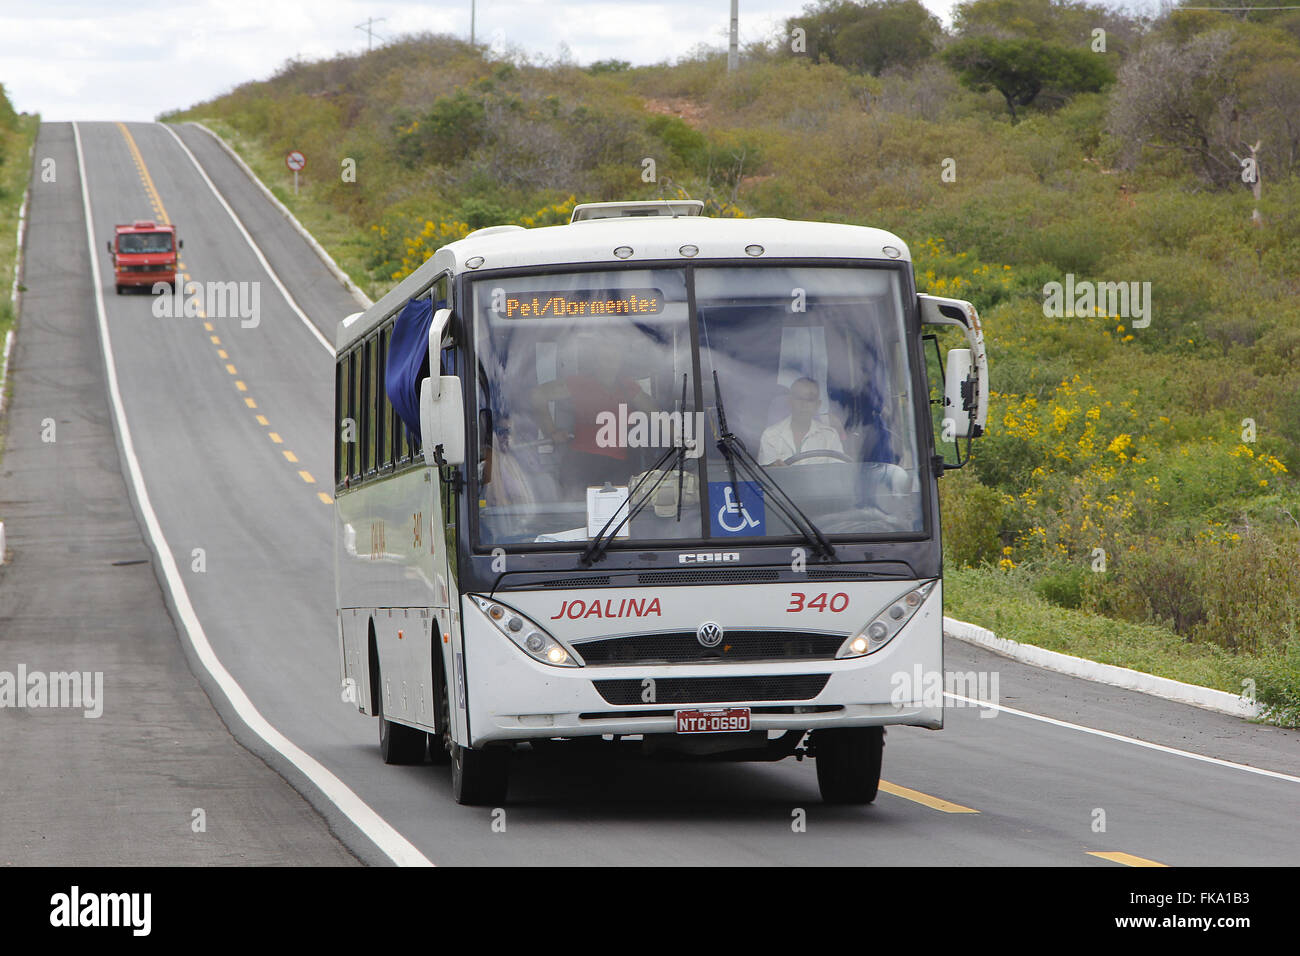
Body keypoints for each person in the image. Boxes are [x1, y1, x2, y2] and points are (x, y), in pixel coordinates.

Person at [527, 330, 659, 487]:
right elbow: (537, 395)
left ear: (620, 361)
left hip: (619, 468)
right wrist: (551, 431)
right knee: (576, 509)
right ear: (595, 361)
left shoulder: (629, 387)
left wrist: (681, 440)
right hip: (581, 466)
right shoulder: (580, 383)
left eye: (614, 358)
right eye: (605, 358)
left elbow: (659, 417)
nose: (610, 364)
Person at [758, 377, 845, 466]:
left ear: (818, 405)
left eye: (810, 399)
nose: (804, 405)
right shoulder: (770, 436)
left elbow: (838, 475)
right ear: (790, 402)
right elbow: (766, 477)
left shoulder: (830, 437)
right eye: (799, 398)